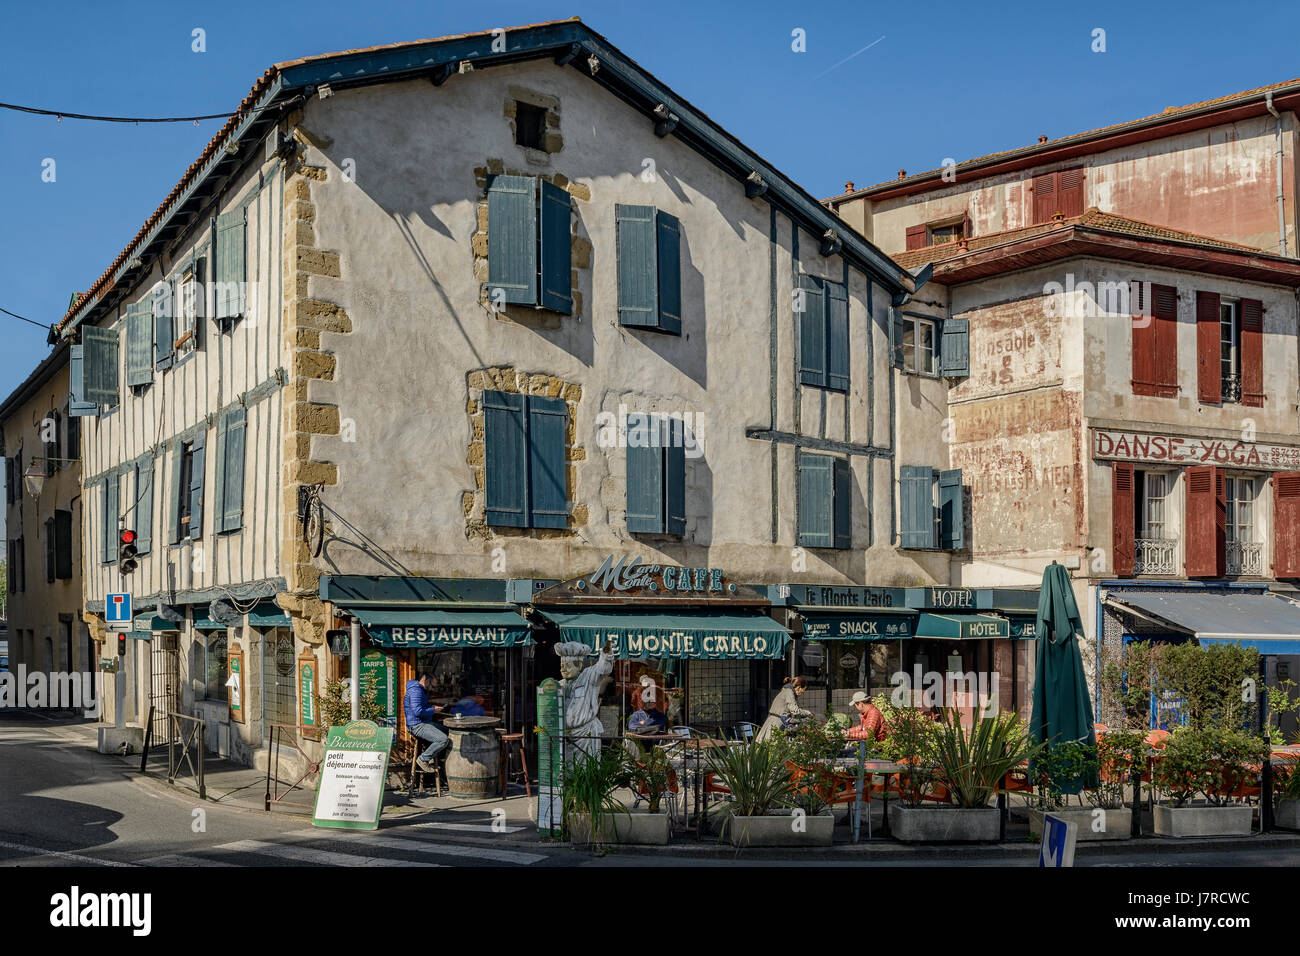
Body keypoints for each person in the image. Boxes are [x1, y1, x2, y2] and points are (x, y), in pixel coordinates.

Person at [403, 672, 448, 772]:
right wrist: (433, 710)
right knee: (443, 740)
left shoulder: (420, 690)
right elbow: (417, 711)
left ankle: (432, 756)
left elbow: (421, 708)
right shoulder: (416, 691)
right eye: (432, 686)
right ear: (426, 681)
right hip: (417, 725)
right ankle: (423, 759)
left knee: (448, 731)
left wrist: (432, 707)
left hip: (423, 723)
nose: (432, 689)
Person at [755, 676, 812, 742]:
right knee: (773, 747)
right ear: (798, 687)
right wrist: (808, 713)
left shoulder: (786, 691)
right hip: (776, 722)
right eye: (802, 691)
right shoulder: (789, 692)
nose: (802, 694)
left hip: (773, 720)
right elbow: (795, 711)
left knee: (769, 747)